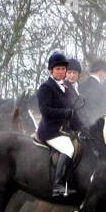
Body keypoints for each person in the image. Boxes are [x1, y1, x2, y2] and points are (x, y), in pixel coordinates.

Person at [37, 52, 85, 197]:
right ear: (51, 71)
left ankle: (69, 183)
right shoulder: (45, 87)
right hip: (50, 130)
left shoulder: (65, 87)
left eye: (63, 69)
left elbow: (72, 112)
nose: (61, 71)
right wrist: (65, 113)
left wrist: (82, 128)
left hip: (64, 129)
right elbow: (45, 111)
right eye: (58, 69)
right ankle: (58, 185)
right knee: (68, 149)